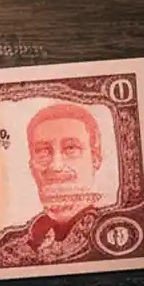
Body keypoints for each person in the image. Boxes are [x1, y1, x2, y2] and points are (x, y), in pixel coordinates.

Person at [24, 103, 104, 250]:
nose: (56, 166)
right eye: (43, 151)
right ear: (31, 164)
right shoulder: (21, 242)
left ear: (95, 159)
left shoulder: (110, 232)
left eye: (70, 148)